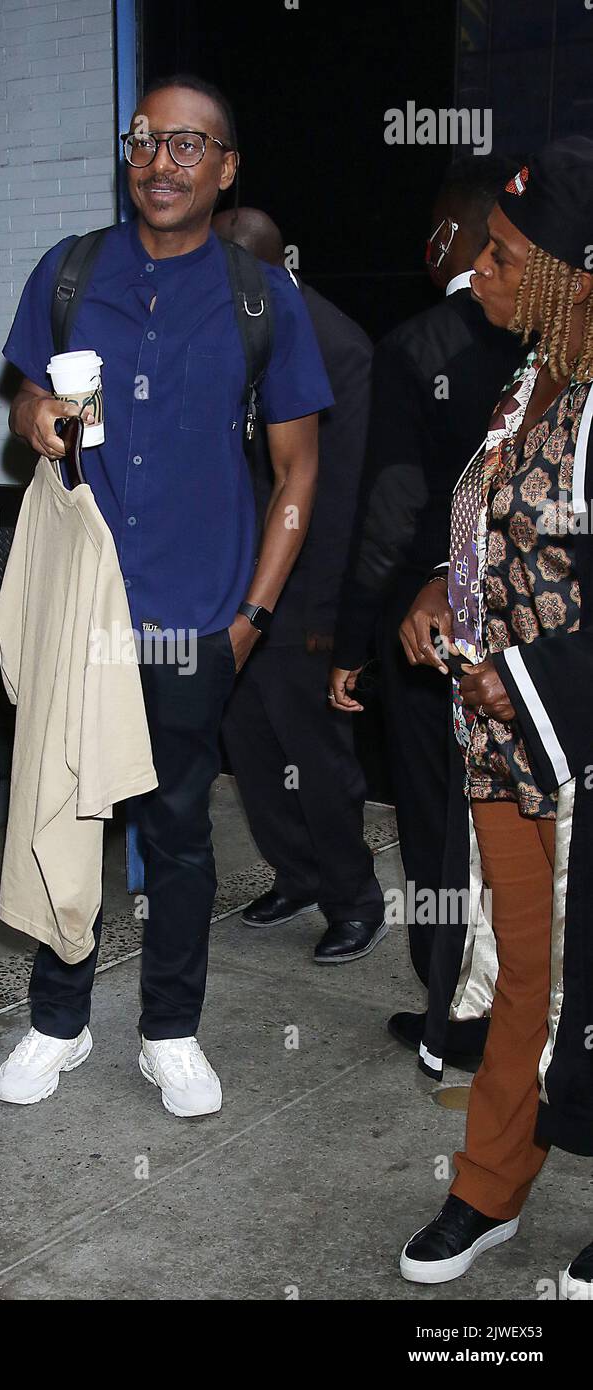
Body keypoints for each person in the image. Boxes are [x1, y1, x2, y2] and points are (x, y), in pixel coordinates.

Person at [0, 76, 332, 1118]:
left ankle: (169, 1029)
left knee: (178, 832)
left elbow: (298, 473)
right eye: (144, 140)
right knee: (66, 801)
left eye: (188, 145)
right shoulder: (69, 272)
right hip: (81, 611)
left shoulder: (259, 296)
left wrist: (250, 619)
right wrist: (39, 416)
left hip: (195, 617)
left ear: (225, 168)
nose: (160, 162)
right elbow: (21, 398)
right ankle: (58, 1018)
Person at [397, 137, 593, 1296]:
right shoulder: (530, 378)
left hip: (570, 735)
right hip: (504, 743)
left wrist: (513, 677)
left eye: (505, 257)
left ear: (572, 274)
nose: (476, 272)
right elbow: (489, 526)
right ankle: (489, 1181)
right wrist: (439, 587)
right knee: (525, 968)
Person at [329, 158, 525, 1072]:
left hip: (432, 635)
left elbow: (393, 507)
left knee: (437, 826)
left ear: (453, 236)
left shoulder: (415, 345)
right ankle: (523, 1014)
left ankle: (453, 1016)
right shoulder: (555, 344)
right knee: (515, 829)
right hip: (533, 640)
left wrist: (351, 635)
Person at [213, 207, 385, 963]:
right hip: (233, 590)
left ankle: (353, 899)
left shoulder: (337, 346)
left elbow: (344, 497)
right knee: (248, 746)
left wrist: (324, 618)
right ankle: (297, 875)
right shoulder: (230, 333)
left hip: (306, 594)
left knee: (317, 759)